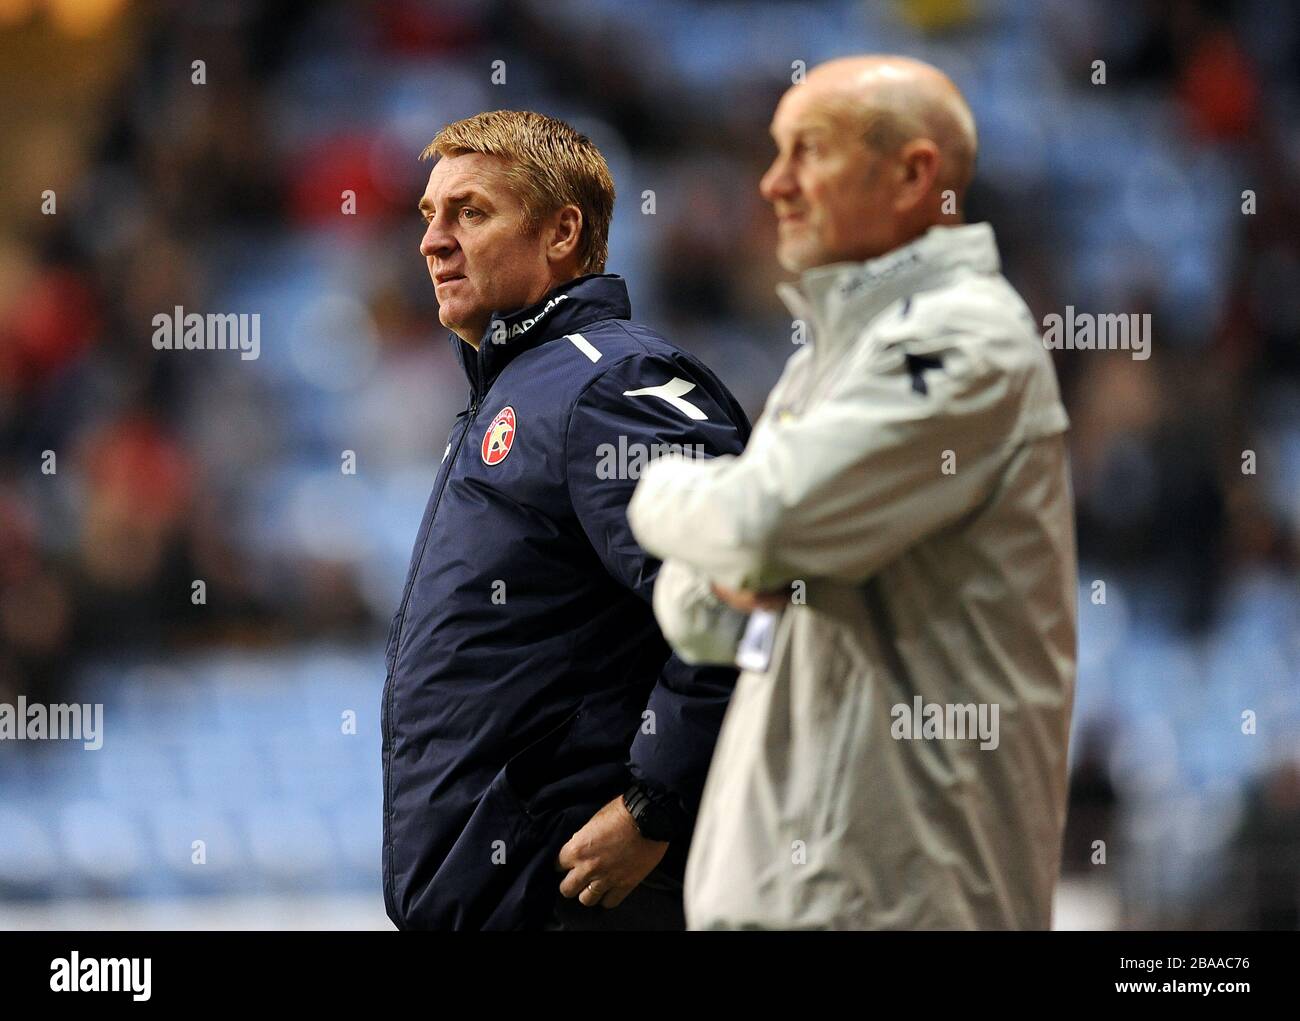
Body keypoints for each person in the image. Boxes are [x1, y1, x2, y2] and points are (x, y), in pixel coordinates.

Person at [627, 56, 1078, 929]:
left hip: (899, 899)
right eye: (775, 151)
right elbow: (698, 613)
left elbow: (757, 521)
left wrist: (657, 488)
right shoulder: (825, 362)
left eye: (809, 152)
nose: (774, 182)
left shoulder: (968, 339)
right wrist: (742, 547)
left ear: (914, 175)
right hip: (803, 889)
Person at [380, 110, 751, 930]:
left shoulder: (607, 383)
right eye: (428, 215)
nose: (433, 240)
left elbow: (741, 585)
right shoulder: (511, 398)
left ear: (562, 232)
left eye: (470, 212)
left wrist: (655, 802)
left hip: (588, 896)